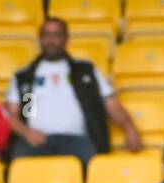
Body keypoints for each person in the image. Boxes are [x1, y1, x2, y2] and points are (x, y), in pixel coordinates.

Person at [8, 19, 143, 164]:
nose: (51, 40)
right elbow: (13, 114)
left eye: (56, 35)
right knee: (18, 162)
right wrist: (27, 133)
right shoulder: (26, 76)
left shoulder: (84, 71)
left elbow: (110, 103)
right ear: (40, 39)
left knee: (93, 163)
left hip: (76, 141)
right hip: (36, 141)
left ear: (66, 39)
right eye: (46, 35)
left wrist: (129, 128)